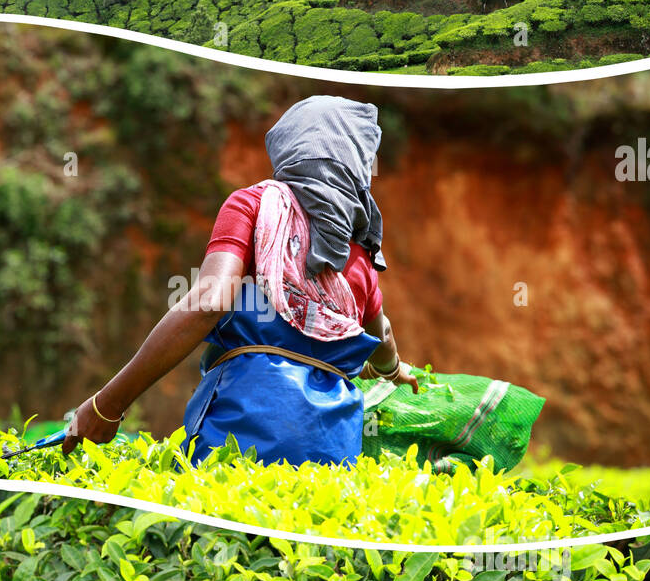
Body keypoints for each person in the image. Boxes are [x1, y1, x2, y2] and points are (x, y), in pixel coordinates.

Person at [63, 95, 417, 466]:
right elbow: (383, 336)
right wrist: (394, 370)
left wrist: (107, 405)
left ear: (289, 149)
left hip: (240, 440)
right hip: (333, 454)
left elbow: (210, 302)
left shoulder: (256, 205)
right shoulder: (360, 254)